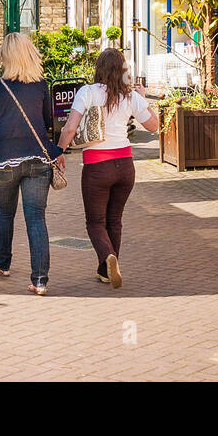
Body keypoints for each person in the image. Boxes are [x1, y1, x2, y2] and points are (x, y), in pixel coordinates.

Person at [57, 47, 159, 289]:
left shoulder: (87, 92)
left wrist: (59, 151)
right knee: (115, 220)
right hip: (125, 166)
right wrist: (143, 98)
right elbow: (154, 126)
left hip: (97, 167)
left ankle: (108, 256)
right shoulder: (130, 96)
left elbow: (70, 128)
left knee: (95, 222)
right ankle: (106, 270)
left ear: (99, 69)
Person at [0, 33, 65, 296]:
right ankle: (40, 280)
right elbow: (47, 123)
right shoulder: (40, 86)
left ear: (6, 56)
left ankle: (3, 263)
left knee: (5, 214)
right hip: (38, 161)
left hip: (3, 160)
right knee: (36, 218)